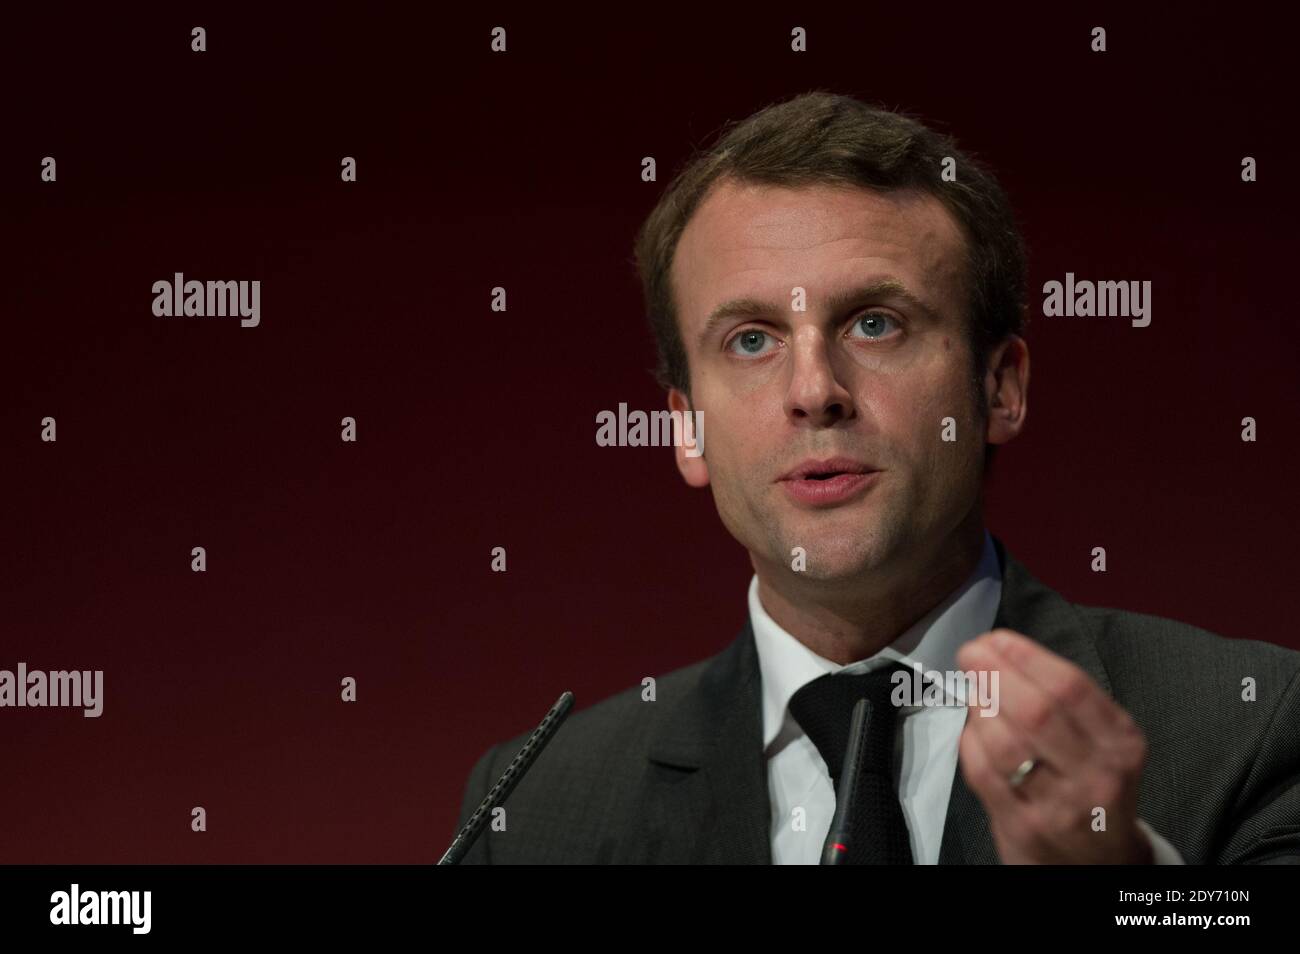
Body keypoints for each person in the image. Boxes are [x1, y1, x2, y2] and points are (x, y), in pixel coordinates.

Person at [452, 91, 1300, 864]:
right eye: (752, 339)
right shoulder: (536, 811)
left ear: (1000, 388)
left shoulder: (1250, 726)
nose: (814, 391)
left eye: (875, 324)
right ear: (686, 429)